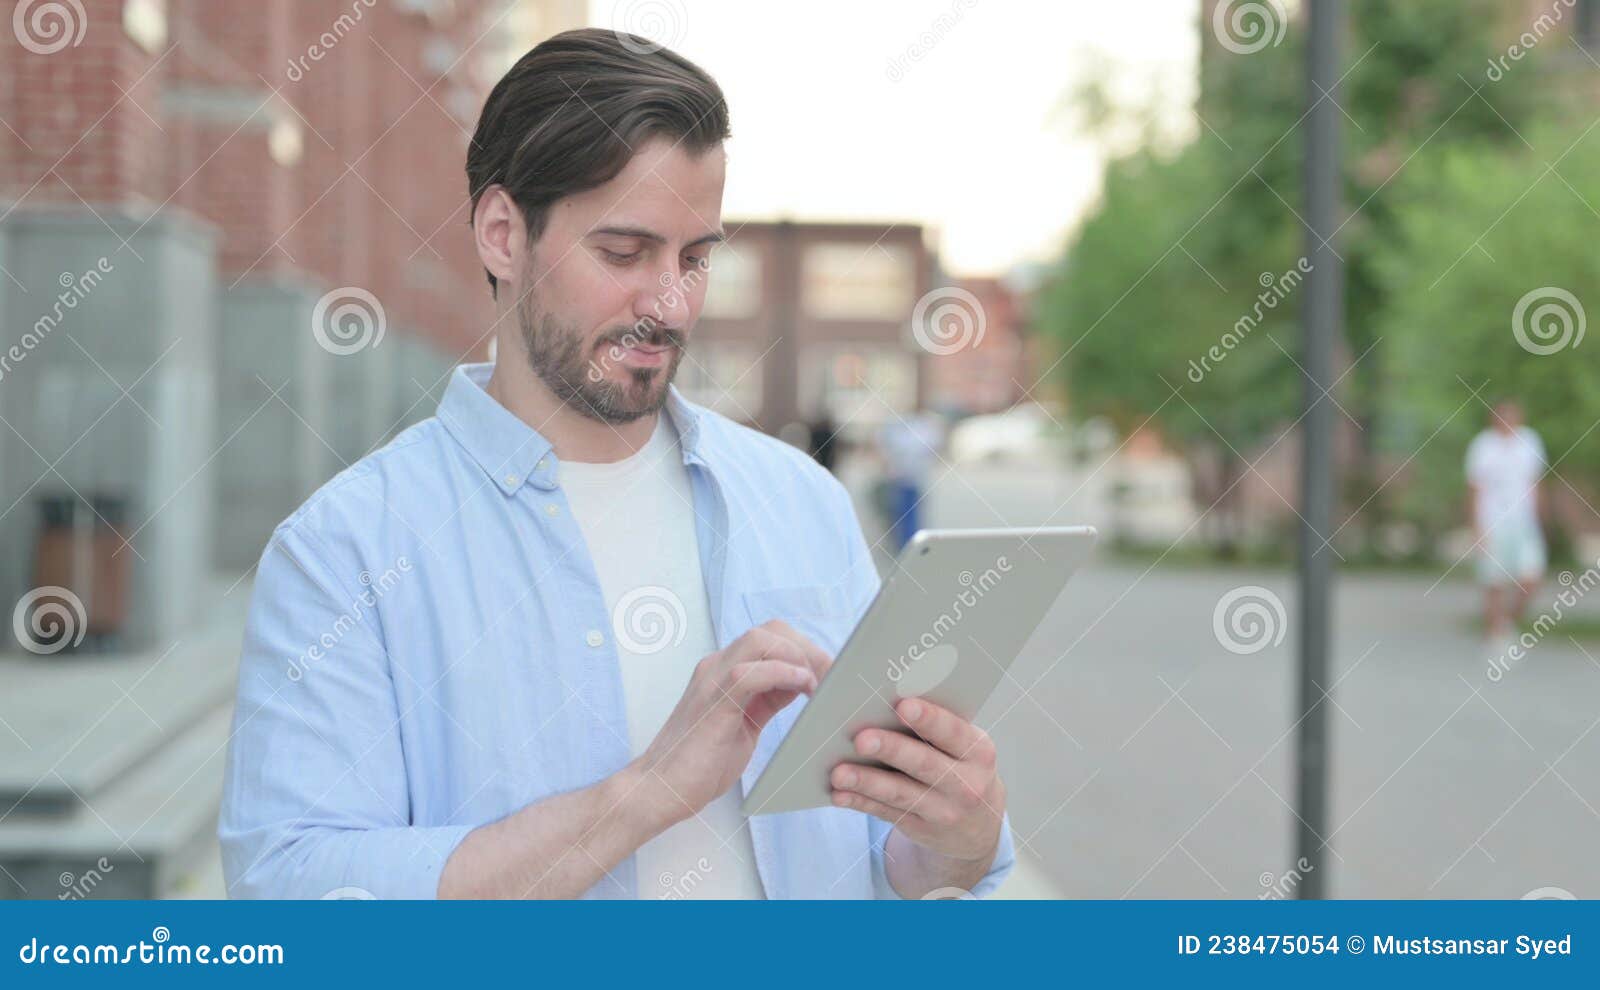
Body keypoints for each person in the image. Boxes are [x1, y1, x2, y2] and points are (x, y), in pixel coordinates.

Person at [218, 29, 1013, 900]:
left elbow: (885, 862)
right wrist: (644, 796)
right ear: (502, 234)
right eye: (624, 253)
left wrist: (957, 844)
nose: (669, 304)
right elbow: (289, 889)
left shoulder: (801, 500)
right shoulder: (347, 551)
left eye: (695, 259)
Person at [1465, 400, 1546, 646]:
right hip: (1492, 519)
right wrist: (1477, 528)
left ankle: (1508, 621)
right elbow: (1474, 488)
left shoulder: (1530, 441)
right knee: (1494, 579)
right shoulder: (1483, 445)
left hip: (1524, 520)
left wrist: (1540, 517)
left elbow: (1535, 482)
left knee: (1531, 576)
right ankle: (1494, 630)